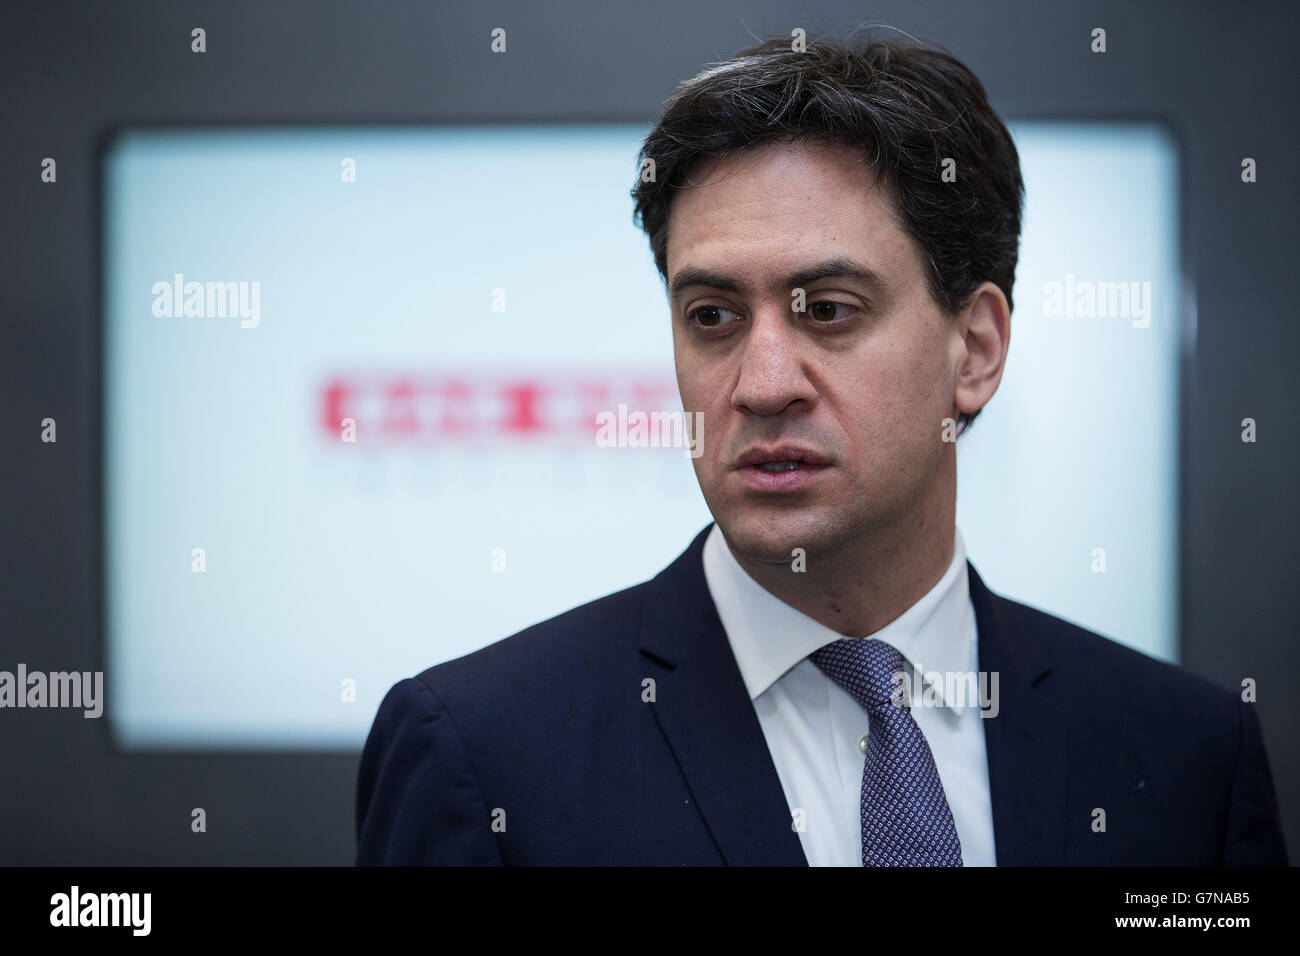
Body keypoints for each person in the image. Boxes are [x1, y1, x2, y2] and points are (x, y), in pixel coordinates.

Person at [355, 30, 1287, 866]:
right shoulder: (484, 755)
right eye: (712, 316)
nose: (763, 385)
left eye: (830, 311)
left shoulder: (1185, 758)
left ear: (975, 349)